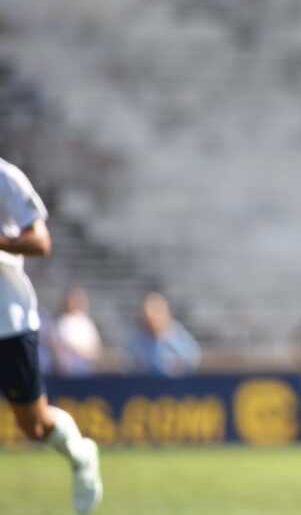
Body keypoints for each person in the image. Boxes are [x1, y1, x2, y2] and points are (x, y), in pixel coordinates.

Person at [0, 157, 102, 513]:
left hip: (7, 322)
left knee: (35, 425)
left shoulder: (5, 177)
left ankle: (81, 455)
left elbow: (41, 241)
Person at [122, 291, 201, 378]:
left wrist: (169, 340)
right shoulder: (135, 337)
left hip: (173, 387)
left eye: (156, 311)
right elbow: (128, 362)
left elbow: (191, 358)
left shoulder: (177, 333)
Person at [49, 287, 103, 377]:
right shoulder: (63, 321)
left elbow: (96, 343)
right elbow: (68, 344)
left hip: (86, 371)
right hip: (67, 373)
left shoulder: (85, 321)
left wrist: (94, 354)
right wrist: (87, 353)